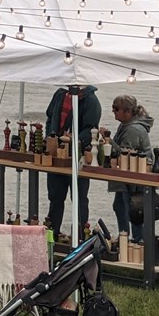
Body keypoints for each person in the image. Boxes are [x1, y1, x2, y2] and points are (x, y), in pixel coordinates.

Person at [45, 85, 101, 236]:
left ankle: (81, 235)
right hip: (57, 154)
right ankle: (52, 234)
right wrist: (50, 137)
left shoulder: (91, 100)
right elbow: (50, 117)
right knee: (55, 197)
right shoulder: (60, 94)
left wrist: (75, 139)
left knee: (79, 199)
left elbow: (91, 129)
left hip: (78, 156)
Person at [100, 94, 153, 241]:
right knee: (120, 206)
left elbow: (124, 155)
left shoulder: (133, 129)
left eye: (116, 109)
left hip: (134, 176)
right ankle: (125, 237)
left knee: (134, 209)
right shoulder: (126, 124)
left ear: (128, 112)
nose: (114, 112)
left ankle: (137, 240)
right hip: (129, 175)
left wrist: (108, 141)